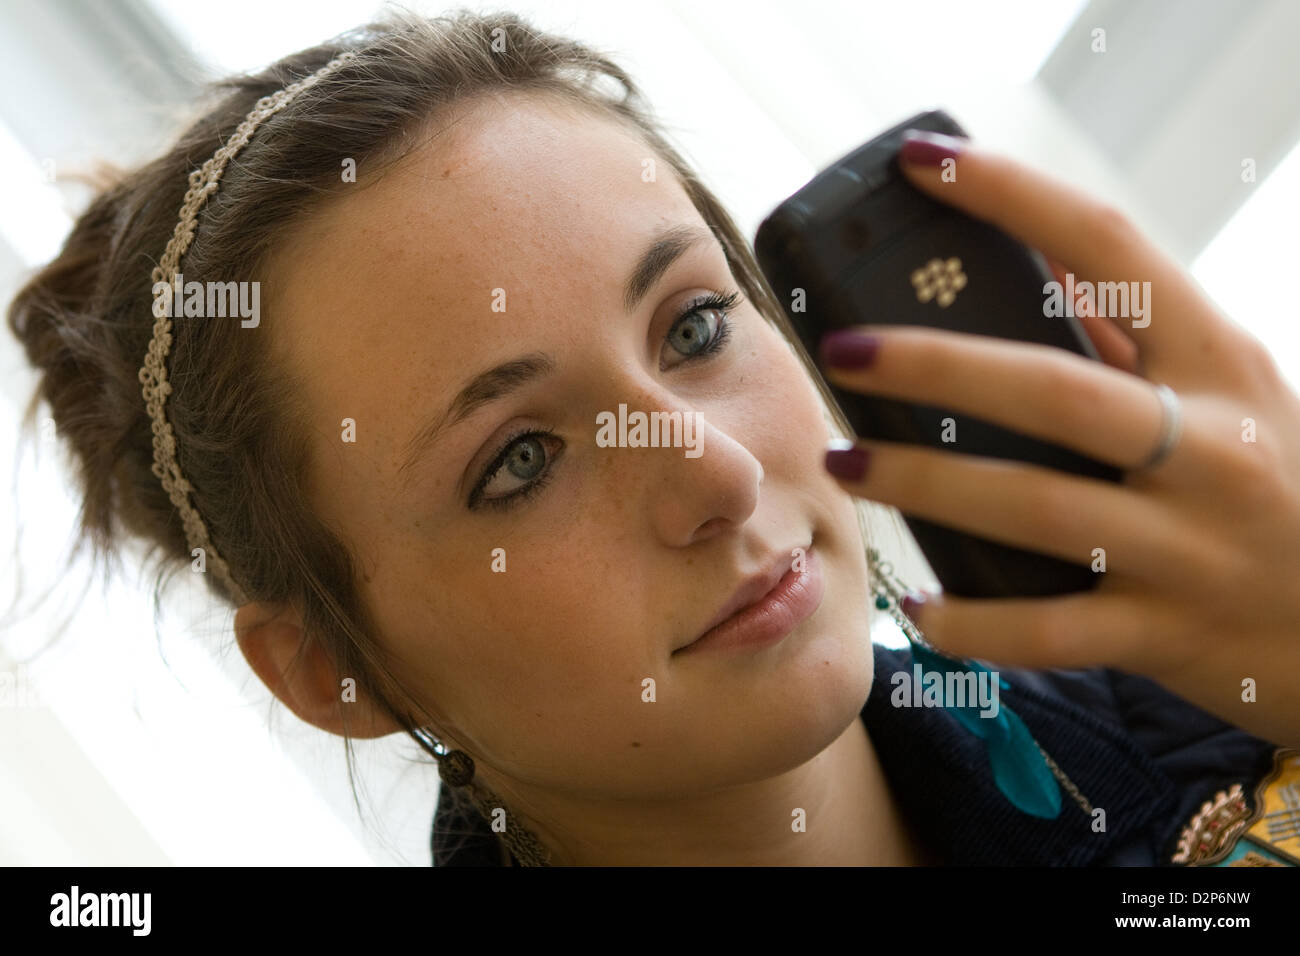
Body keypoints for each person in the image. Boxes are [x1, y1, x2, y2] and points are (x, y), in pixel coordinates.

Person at [8, 9, 1299, 867]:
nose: (720, 476)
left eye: (692, 330)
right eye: (520, 460)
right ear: (337, 676)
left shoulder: (1223, 690)